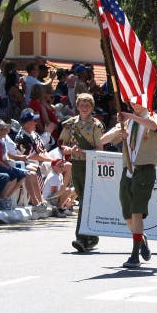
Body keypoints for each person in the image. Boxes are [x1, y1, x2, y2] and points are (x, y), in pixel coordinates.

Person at [100, 100, 157, 269]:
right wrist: (118, 135)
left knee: (136, 211)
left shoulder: (154, 116)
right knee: (127, 214)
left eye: (138, 101)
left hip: (144, 170)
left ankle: (135, 255)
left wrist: (131, 116)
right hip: (128, 170)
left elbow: (154, 126)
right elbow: (103, 138)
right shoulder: (127, 122)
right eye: (132, 102)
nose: (134, 104)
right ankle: (141, 238)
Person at [58, 93, 104, 253]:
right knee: (84, 200)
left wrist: (84, 152)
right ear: (77, 106)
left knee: (86, 200)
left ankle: (82, 237)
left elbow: (99, 149)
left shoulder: (96, 125)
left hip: (90, 165)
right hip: (76, 165)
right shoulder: (70, 124)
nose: (84, 107)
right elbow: (62, 144)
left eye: (87, 105)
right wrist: (68, 150)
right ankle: (91, 236)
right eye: (82, 104)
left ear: (92, 107)